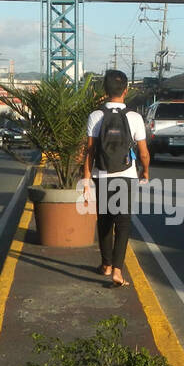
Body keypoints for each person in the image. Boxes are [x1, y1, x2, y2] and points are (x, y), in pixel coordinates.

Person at [81, 70, 149, 288]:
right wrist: (145, 171)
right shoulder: (135, 117)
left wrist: (85, 179)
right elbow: (143, 152)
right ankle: (118, 271)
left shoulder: (96, 116)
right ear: (126, 91)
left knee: (104, 220)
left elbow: (89, 152)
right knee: (123, 222)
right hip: (126, 176)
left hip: (102, 175)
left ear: (104, 92)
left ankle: (106, 265)